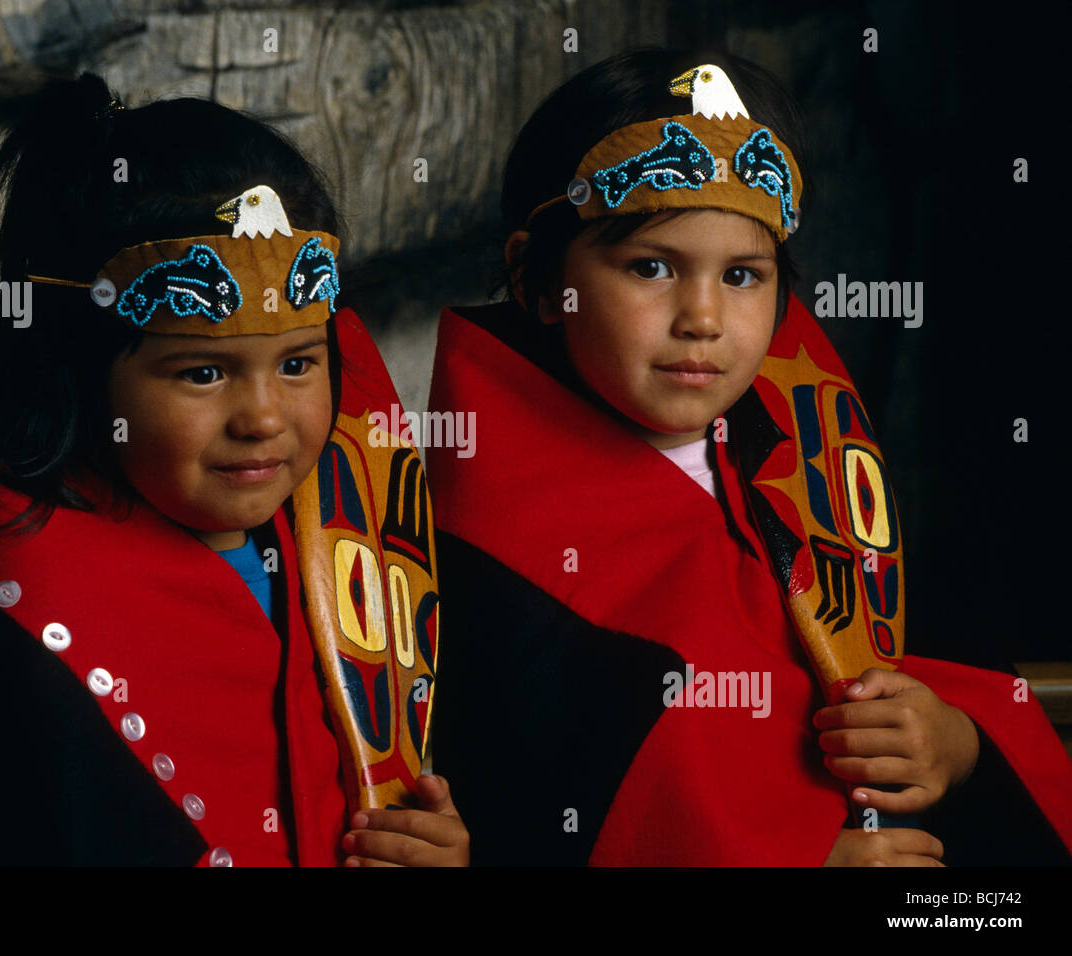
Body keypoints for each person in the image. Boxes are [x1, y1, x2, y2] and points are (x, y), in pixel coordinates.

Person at [426, 49, 1072, 866]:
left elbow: (946, 664)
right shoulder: (483, 547)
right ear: (537, 278)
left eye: (742, 274)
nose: (703, 317)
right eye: (650, 267)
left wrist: (956, 739)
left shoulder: (818, 460)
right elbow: (528, 821)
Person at [0, 73, 467, 867]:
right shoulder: (37, 618)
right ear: (84, 374)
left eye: (298, 362)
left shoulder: (346, 514)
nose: (263, 416)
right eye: (202, 374)